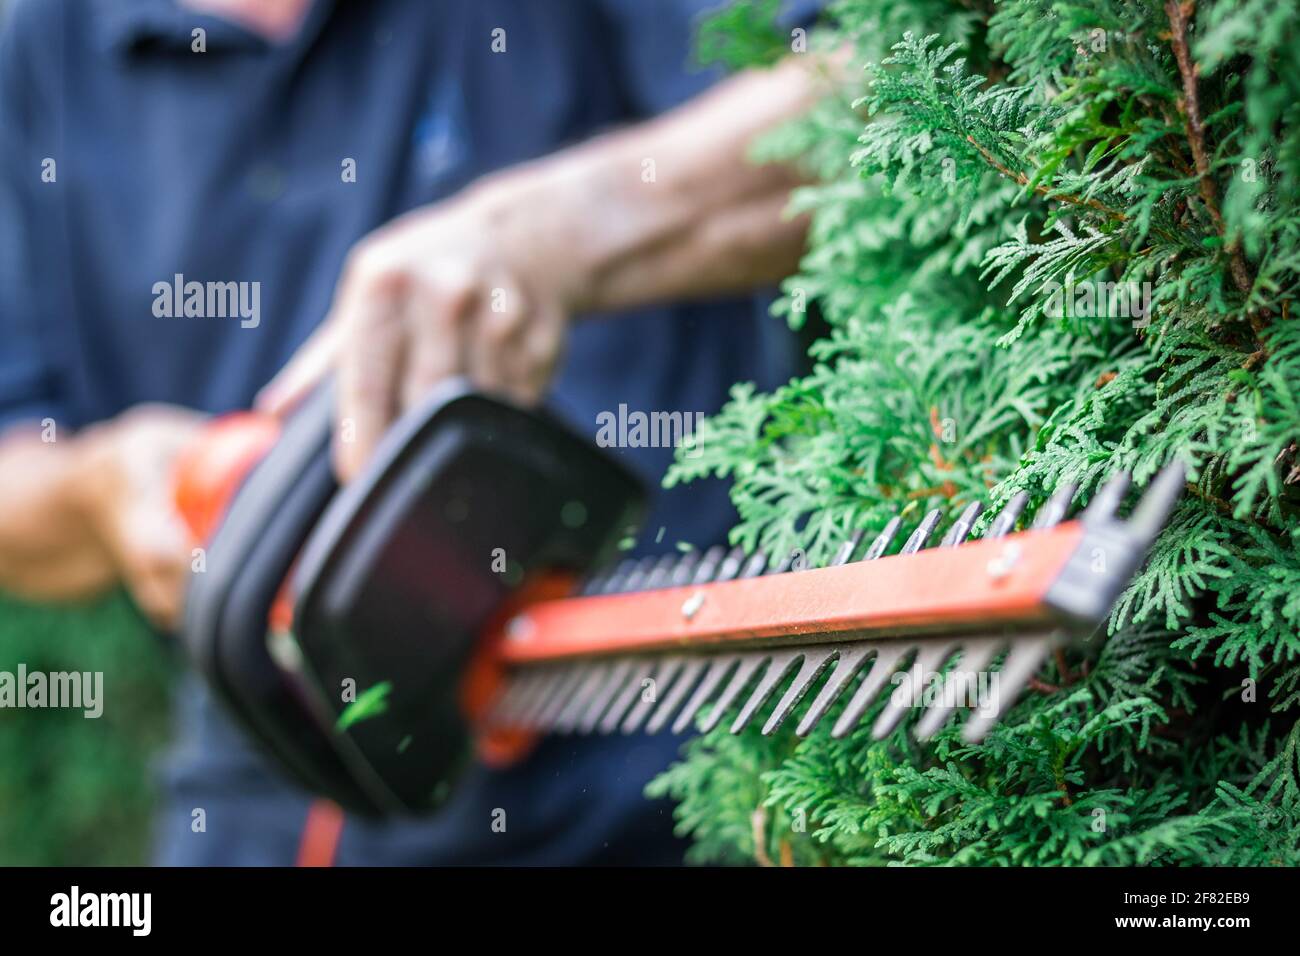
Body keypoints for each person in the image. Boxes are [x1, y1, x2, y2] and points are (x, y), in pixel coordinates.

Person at [0, 0, 824, 864]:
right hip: (277, 778)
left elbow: (876, 95)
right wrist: (105, 488)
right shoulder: (47, 47)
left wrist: (543, 236)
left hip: (665, 735)